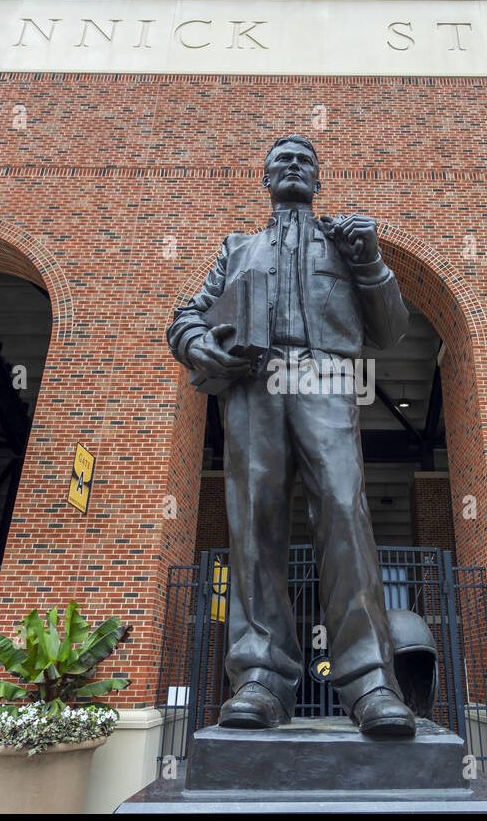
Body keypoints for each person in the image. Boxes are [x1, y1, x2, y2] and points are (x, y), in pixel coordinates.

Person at [166, 135, 417, 738]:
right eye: (282, 159)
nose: (294, 165)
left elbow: (390, 331)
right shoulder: (237, 247)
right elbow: (186, 317)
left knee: (342, 506)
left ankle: (369, 680)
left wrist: (371, 261)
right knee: (254, 520)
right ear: (266, 177)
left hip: (326, 373)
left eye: (305, 159)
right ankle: (260, 676)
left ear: (317, 177)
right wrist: (200, 344)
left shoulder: (346, 241)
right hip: (252, 381)